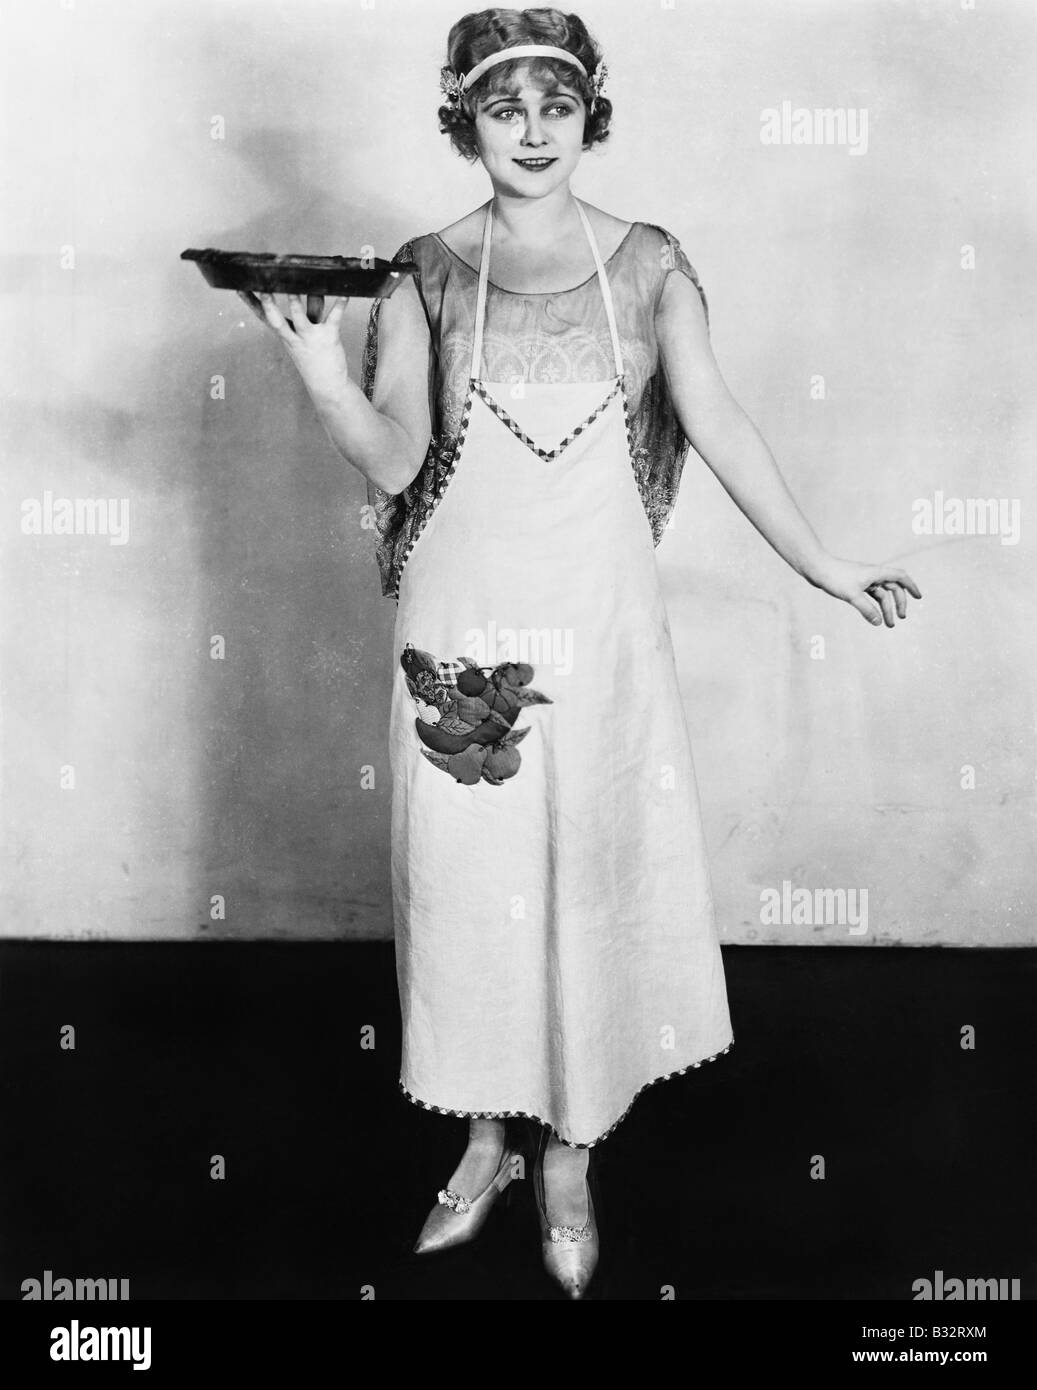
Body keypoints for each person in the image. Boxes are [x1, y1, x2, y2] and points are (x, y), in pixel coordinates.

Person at [239, 6, 921, 1299]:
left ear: (589, 114)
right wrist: (321, 374)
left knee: (590, 870)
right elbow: (398, 460)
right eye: (506, 106)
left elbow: (715, 421)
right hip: (461, 625)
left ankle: (567, 1150)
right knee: (466, 876)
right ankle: (486, 1132)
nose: (534, 130)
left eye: (557, 104)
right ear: (466, 119)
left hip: (597, 627)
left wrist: (827, 566)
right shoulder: (424, 270)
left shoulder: (650, 264)